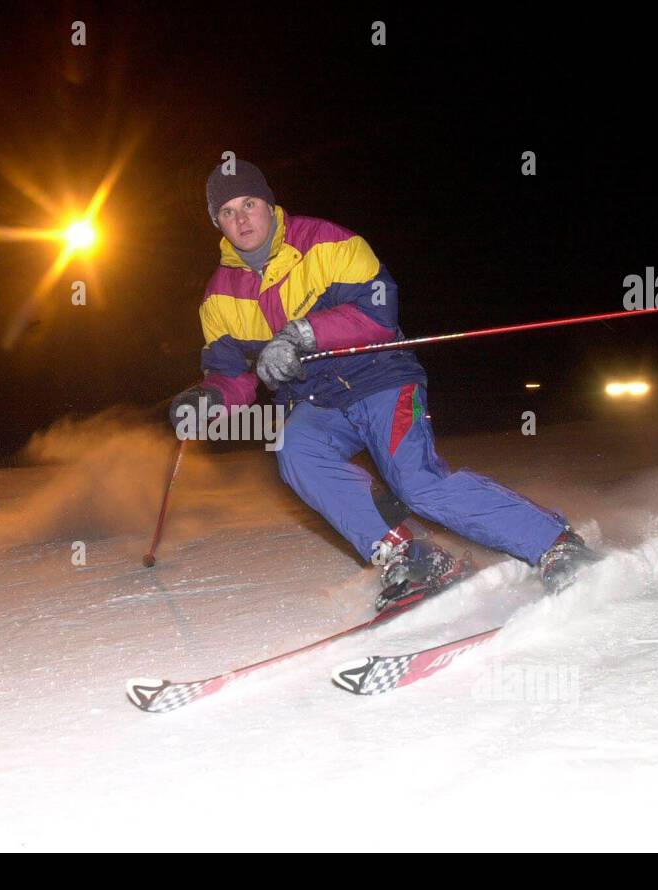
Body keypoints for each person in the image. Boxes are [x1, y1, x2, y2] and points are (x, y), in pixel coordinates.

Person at [170, 159, 598, 607]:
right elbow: (231, 373)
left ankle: (554, 543)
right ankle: (411, 555)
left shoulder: (329, 242)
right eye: (228, 212)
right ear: (216, 223)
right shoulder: (218, 296)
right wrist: (210, 399)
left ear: (269, 203)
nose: (242, 219)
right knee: (294, 450)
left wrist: (301, 334)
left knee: (415, 483)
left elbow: (377, 315)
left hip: (381, 379)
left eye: (249, 204)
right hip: (316, 399)